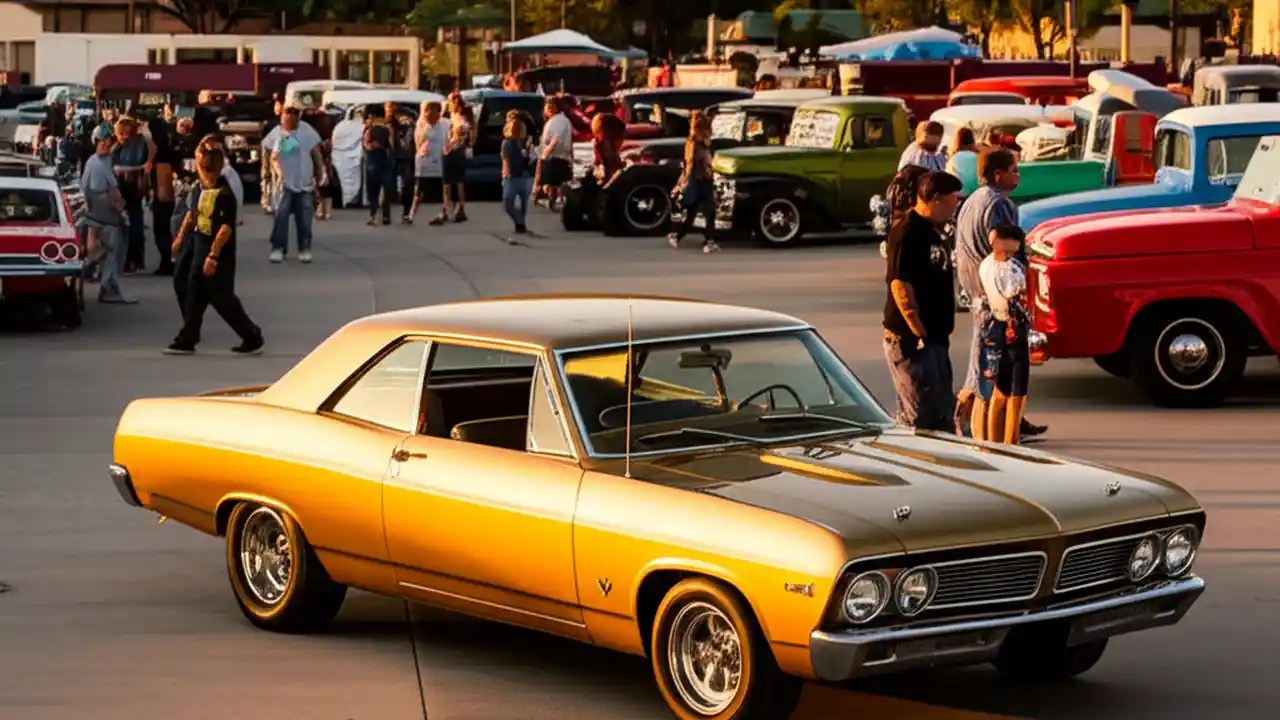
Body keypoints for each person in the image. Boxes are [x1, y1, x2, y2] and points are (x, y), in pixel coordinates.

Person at [953, 147, 1047, 440]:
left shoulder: (973, 201)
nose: (1018, 175)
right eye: (1014, 170)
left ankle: (1009, 421)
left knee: (984, 360)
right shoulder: (999, 204)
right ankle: (983, 428)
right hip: (997, 299)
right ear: (998, 174)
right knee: (995, 366)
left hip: (978, 292)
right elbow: (1002, 246)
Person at [882, 171, 964, 431]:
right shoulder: (907, 231)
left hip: (935, 339)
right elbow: (900, 285)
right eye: (954, 200)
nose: (956, 206)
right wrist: (919, 331)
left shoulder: (934, 230)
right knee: (921, 419)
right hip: (912, 341)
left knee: (943, 413)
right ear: (936, 199)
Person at [166, 147, 264, 356]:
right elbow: (192, 215)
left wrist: (213, 255)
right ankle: (188, 338)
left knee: (223, 299)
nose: (203, 171)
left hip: (217, 252)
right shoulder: (200, 190)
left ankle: (252, 335)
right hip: (199, 244)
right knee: (193, 293)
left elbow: (225, 228)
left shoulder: (224, 194)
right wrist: (180, 238)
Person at [979, 225, 1031, 444]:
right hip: (1013, 327)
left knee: (999, 387)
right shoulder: (1009, 268)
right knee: (1018, 388)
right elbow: (1017, 290)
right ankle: (1012, 440)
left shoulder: (984, 265)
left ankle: (992, 441)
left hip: (994, 326)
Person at [79, 125, 134, 305]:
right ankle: (108, 288)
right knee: (113, 252)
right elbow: (112, 192)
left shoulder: (93, 161)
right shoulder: (100, 163)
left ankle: (97, 272)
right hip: (105, 214)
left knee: (104, 250)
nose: (107, 145)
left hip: (95, 213)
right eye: (105, 141)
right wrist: (122, 212)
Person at [262, 106, 324, 264]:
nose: (289, 119)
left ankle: (304, 248)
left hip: (305, 183)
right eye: (286, 115)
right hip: (285, 185)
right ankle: (278, 248)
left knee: (304, 218)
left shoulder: (307, 132)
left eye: (293, 115)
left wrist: (321, 174)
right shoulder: (280, 136)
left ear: (298, 117)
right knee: (281, 216)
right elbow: (272, 159)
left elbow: (316, 154)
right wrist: (272, 179)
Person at [667, 112, 720, 253]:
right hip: (699, 182)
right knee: (703, 212)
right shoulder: (695, 145)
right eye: (707, 131)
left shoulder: (699, 143)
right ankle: (705, 241)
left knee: (701, 213)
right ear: (701, 131)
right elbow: (695, 165)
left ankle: (683, 236)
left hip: (703, 181)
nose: (709, 134)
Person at [112, 116, 157, 273]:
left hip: (133, 187)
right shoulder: (117, 145)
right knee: (123, 225)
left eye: (127, 132)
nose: (125, 135)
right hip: (120, 187)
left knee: (134, 224)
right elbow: (111, 164)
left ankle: (134, 260)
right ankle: (126, 259)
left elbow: (150, 154)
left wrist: (147, 136)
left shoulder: (140, 142)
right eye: (122, 132)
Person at [148, 106, 178, 275]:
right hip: (167, 194)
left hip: (162, 194)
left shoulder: (158, 152)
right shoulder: (169, 147)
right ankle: (168, 260)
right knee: (166, 229)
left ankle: (166, 262)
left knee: (161, 230)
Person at [411, 100, 449, 223]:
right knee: (419, 191)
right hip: (424, 163)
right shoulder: (421, 125)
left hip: (439, 163)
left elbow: (448, 140)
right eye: (428, 110)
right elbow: (418, 143)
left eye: (435, 110)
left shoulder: (444, 124)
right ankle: (412, 214)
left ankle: (442, 214)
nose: (431, 113)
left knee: (441, 190)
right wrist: (425, 129)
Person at [440, 96, 473, 223]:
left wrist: (449, 144)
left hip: (451, 152)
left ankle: (447, 209)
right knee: (459, 182)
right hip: (460, 153)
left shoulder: (456, 119)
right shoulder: (464, 118)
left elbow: (455, 138)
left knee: (447, 183)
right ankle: (460, 209)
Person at [538, 96, 574, 211]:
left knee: (555, 181)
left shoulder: (558, 120)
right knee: (556, 181)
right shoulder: (556, 120)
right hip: (558, 155)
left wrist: (545, 153)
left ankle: (555, 201)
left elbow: (556, 139)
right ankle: (554, 200)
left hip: (555, 156)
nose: (546, 109)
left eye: (549, 106)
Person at [501, 112, 534, 235]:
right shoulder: (507, 143)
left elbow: (530, 158)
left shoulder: (525, 142)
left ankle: (520, 223)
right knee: (507, 202)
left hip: (524, 175)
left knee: (523, 202)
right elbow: (505, 159)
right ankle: (519, 221)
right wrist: (507, 173)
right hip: (512, 176)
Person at [362, 108, 396, 226]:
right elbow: (391, 144)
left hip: (375, 159)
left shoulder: (370, 127)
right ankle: (383, 215)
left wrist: (370, 145)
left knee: (374, 189)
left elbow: (365, 144)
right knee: (385, 188)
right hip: (382, 159)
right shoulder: (386, 127)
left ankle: (374, 215)